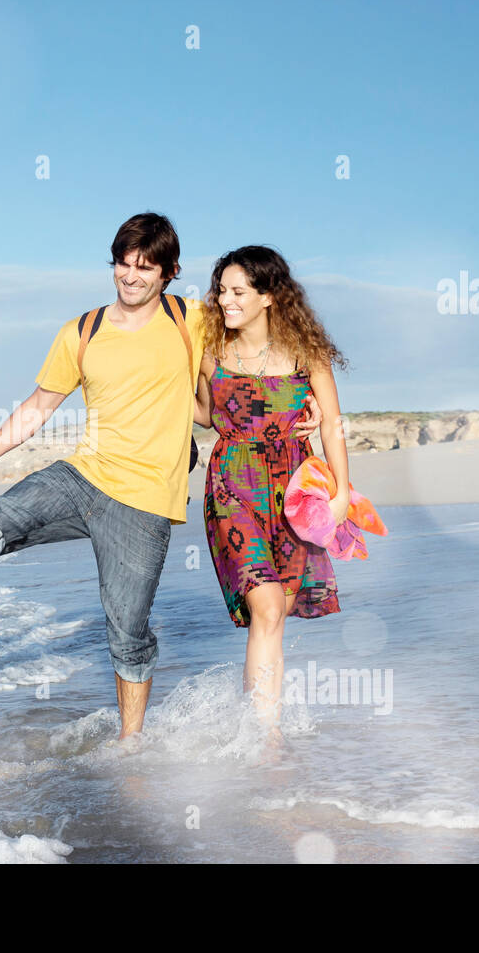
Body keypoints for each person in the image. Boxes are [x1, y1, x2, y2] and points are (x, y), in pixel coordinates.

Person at [0, 213, 318, 739]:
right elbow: (38, 407)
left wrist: (303, 404)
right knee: (0, 515)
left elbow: (252, 354)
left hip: (146, 503)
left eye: (144, 267)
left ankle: (130, 747)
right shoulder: (82, 332)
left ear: (169, 272)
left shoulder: (193, 321)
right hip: (83, 475)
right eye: (122, 264)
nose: (130, 276)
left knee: (128, 633)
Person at [195, 245, 347, 735]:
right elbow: (205, 414)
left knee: (277, 608)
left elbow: (334, 426)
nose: (226, 301)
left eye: (238, 291)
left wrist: (343, 492)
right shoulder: (210, 353)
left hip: (294, 490)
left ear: (269, 296)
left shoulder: (307, 353)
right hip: (232, 484)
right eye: (222, 291)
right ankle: (264, 736)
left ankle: (265, 727)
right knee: (263, 602)